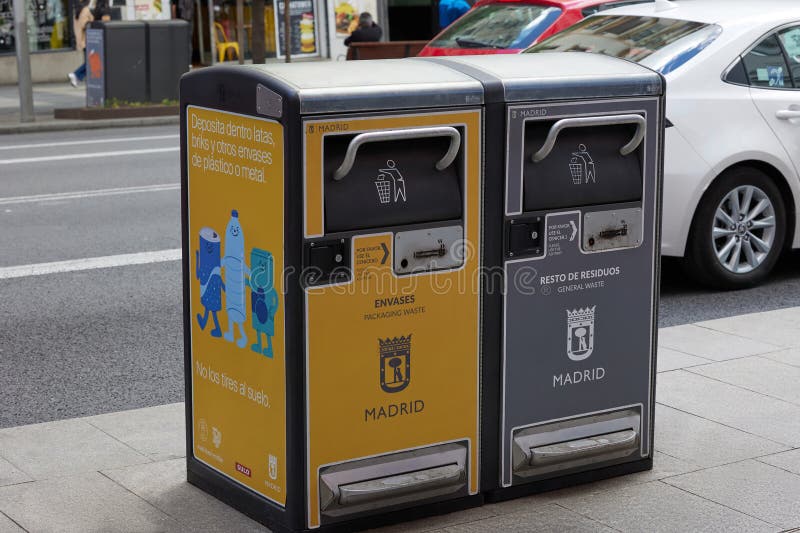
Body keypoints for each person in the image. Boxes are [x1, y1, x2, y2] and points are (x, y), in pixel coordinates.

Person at [68, 0, 93, 88]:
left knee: (89, 62)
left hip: (81, 41)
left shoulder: (76, 13)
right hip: (88, 40)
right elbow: (85, 25)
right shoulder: (86, 10)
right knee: (90, 63)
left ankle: (77, 77)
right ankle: (76, 74)